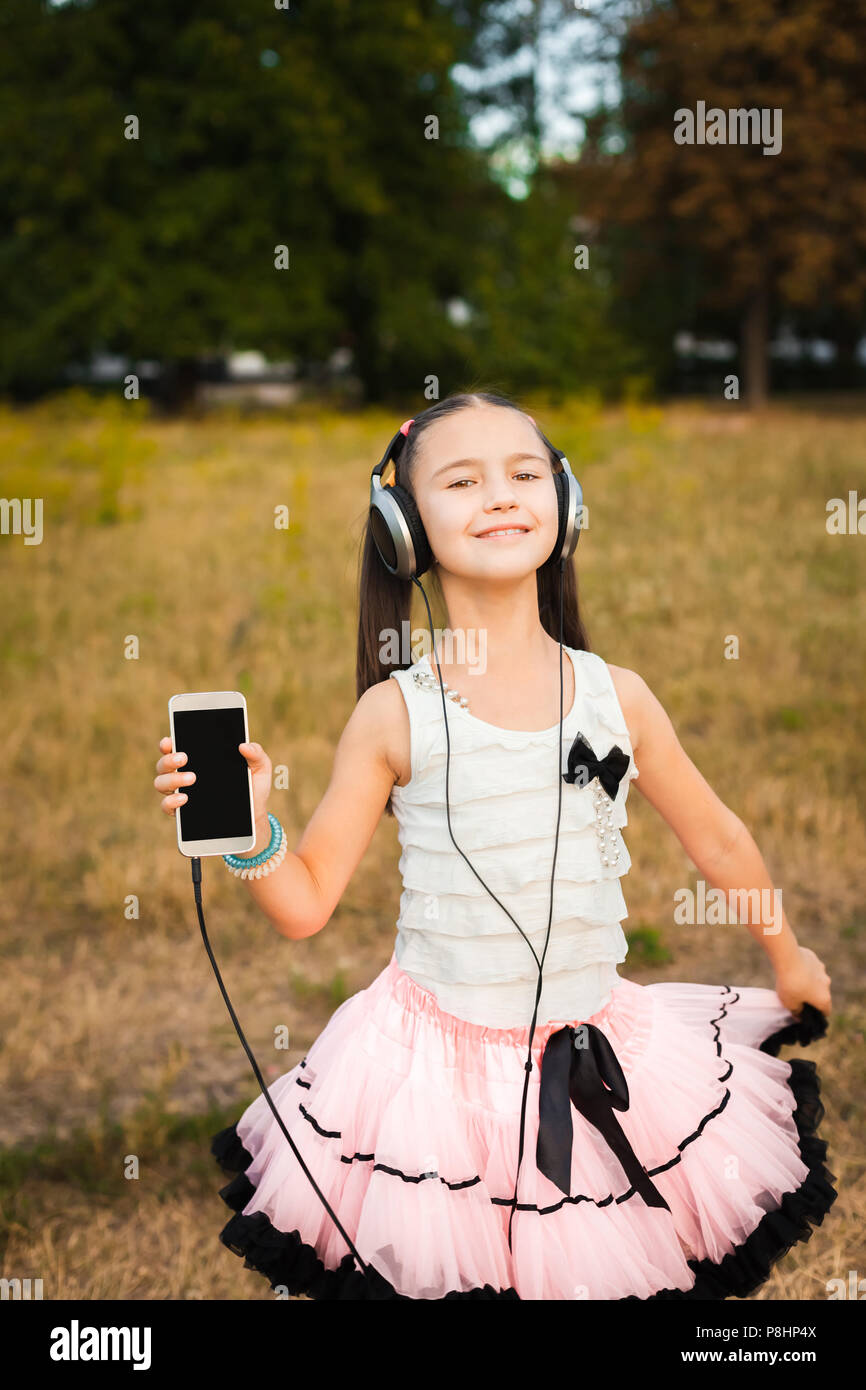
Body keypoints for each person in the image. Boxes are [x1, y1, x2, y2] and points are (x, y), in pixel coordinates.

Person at [153, 390, 836, 1300]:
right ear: (404, 529)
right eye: (462, 480)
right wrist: (250, 830)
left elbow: (718, 837)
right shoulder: (394, 715)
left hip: (602, 1051)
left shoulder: (616, 696)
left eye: (524, 474)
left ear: (566, 502)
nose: (501, 496)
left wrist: (788, 956)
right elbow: (305, 903)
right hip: (433, 1081)